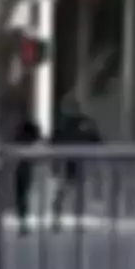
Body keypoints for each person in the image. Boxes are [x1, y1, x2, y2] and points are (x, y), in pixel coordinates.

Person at [49, 99, 102, 231]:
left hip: (73, 162)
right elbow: (97, 140)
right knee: (67, 194)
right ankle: (61, 220)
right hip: (73, 162)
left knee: (65, 194)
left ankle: (61, 220)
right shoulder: (80, 123)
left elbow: (53, 142)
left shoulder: (70, 123)